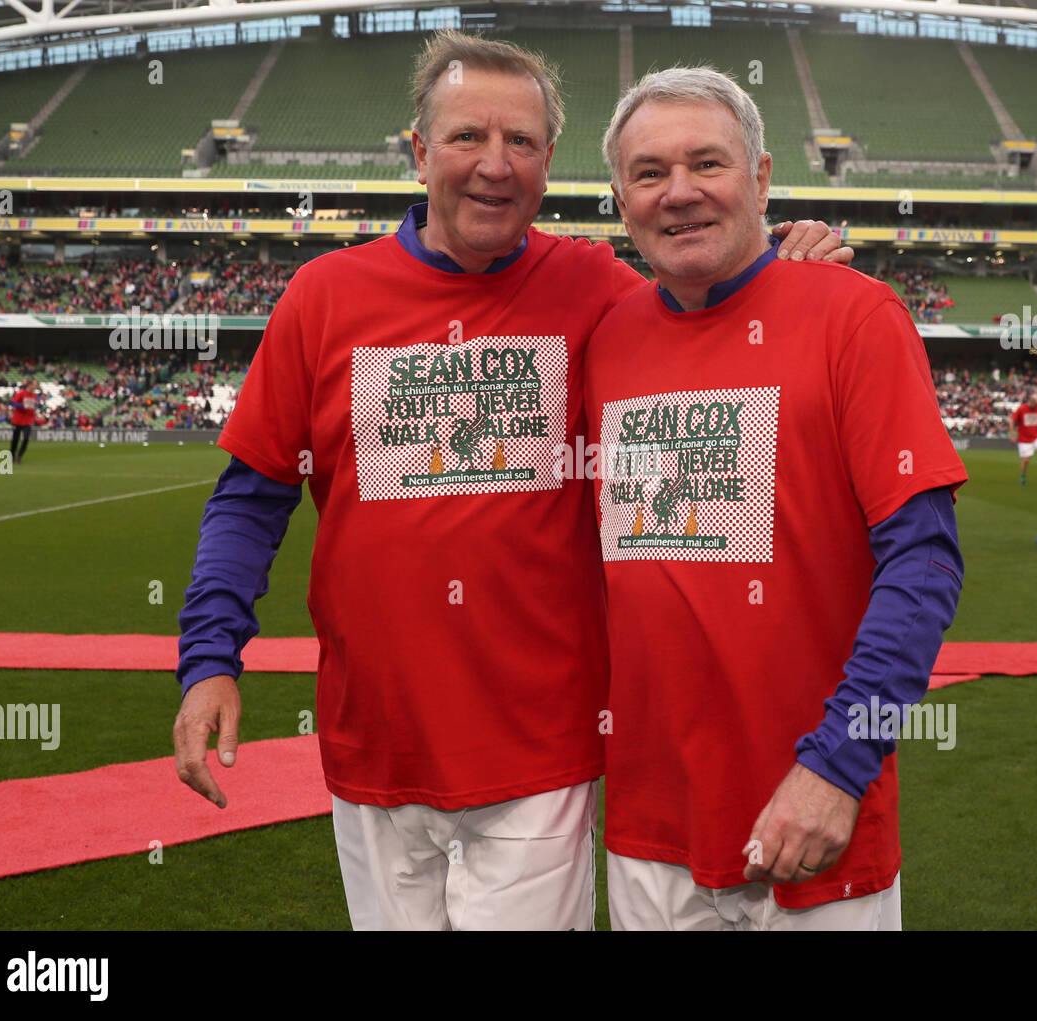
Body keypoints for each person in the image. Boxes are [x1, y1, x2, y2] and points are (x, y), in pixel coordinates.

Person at [172, 30, 851, 931]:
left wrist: (784, 268)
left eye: (521, 143)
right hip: (372, 746)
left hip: (541, 755)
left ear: (548, 162)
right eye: (466, 138)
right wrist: (210, 656)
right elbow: (252, 494)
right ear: (419, 152)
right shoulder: (323, 297)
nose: (495, 166)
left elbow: (709, 302)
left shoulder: (600, 289)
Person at [584, 67, 967, 930]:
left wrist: (840, 764)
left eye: (707, 164)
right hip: (649, 832)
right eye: (648, 173)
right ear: (620, 200)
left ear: (760, 179)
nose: (678, 193)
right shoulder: (605, 336)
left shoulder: (856, 317)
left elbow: (926, 559)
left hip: (816, 824)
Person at [1009, 391, 1037, 486]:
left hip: (1036, 436)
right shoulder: (1021, 409)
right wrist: (1012, 434)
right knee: (1026, 460)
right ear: (1032, 401)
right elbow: (1012, 420)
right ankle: (1023, 476)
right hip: (1024, 439)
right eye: (1036, 404)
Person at [9, 377, 37, 464]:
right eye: (34, 384)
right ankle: (12, 455)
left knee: (26, 438)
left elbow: (32, 408)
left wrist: (34, 417)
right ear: (29, 385)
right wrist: (22, 405)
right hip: (18, 420)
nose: (35, 386)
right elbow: (12, 403)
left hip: (28, 421)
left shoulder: (34, 395)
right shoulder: (21, 393)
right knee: (15, 440)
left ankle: (19, 456)